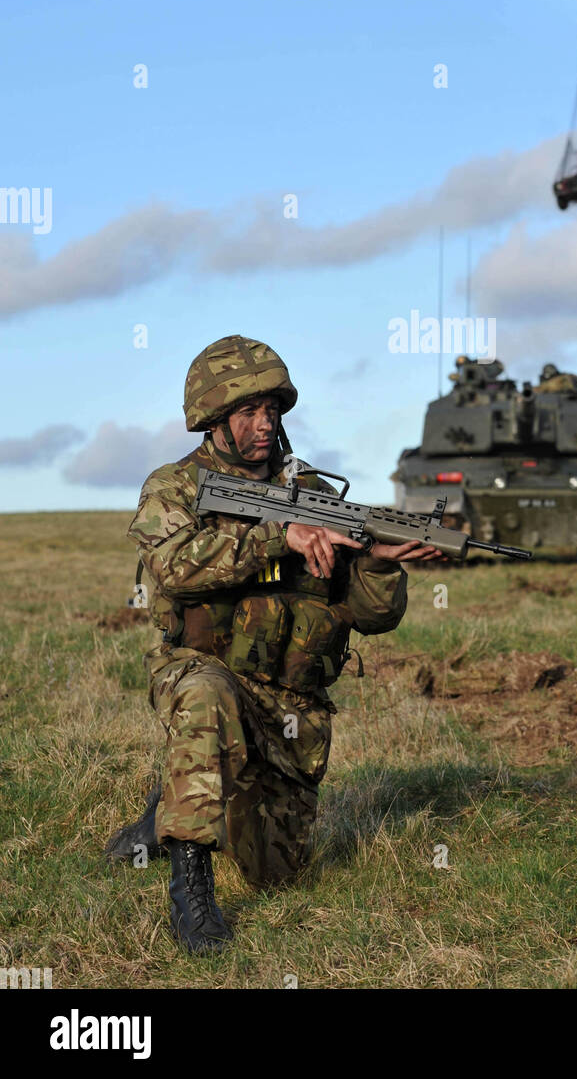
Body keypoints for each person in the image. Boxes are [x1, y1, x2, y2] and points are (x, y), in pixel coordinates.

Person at [105, 335, 440, 953]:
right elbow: (174, 569)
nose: (266, 425)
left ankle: (167, 809)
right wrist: (276, 538)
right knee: (207, 697)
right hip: (202, 671)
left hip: (289, 707)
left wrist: (380, 562)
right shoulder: (175, 487)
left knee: (276, 873)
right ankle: (192, 891)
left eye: (273, 411)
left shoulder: (312, 491)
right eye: (249, 412)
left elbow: (372, 619)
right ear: (212, 417)